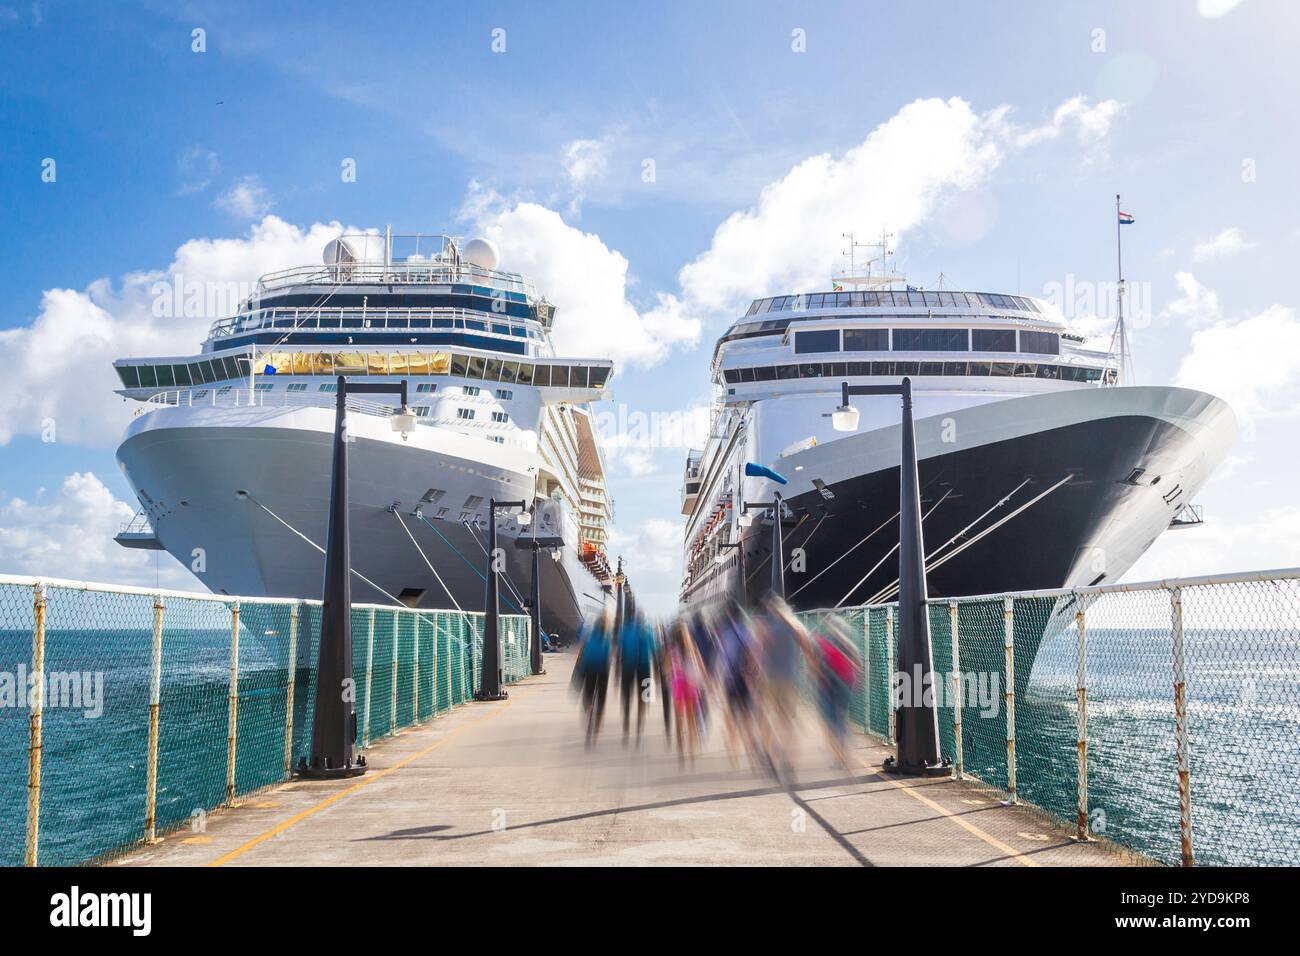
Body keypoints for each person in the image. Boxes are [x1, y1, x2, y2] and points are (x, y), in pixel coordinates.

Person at [572, 608, 612, 747]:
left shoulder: (589, 635)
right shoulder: (608, 637)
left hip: (588, 668)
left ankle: (588, 714)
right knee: (601, 698)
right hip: (602, 670)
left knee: (587, 695)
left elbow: (582, 652)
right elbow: (610, 655)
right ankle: (596, 727)